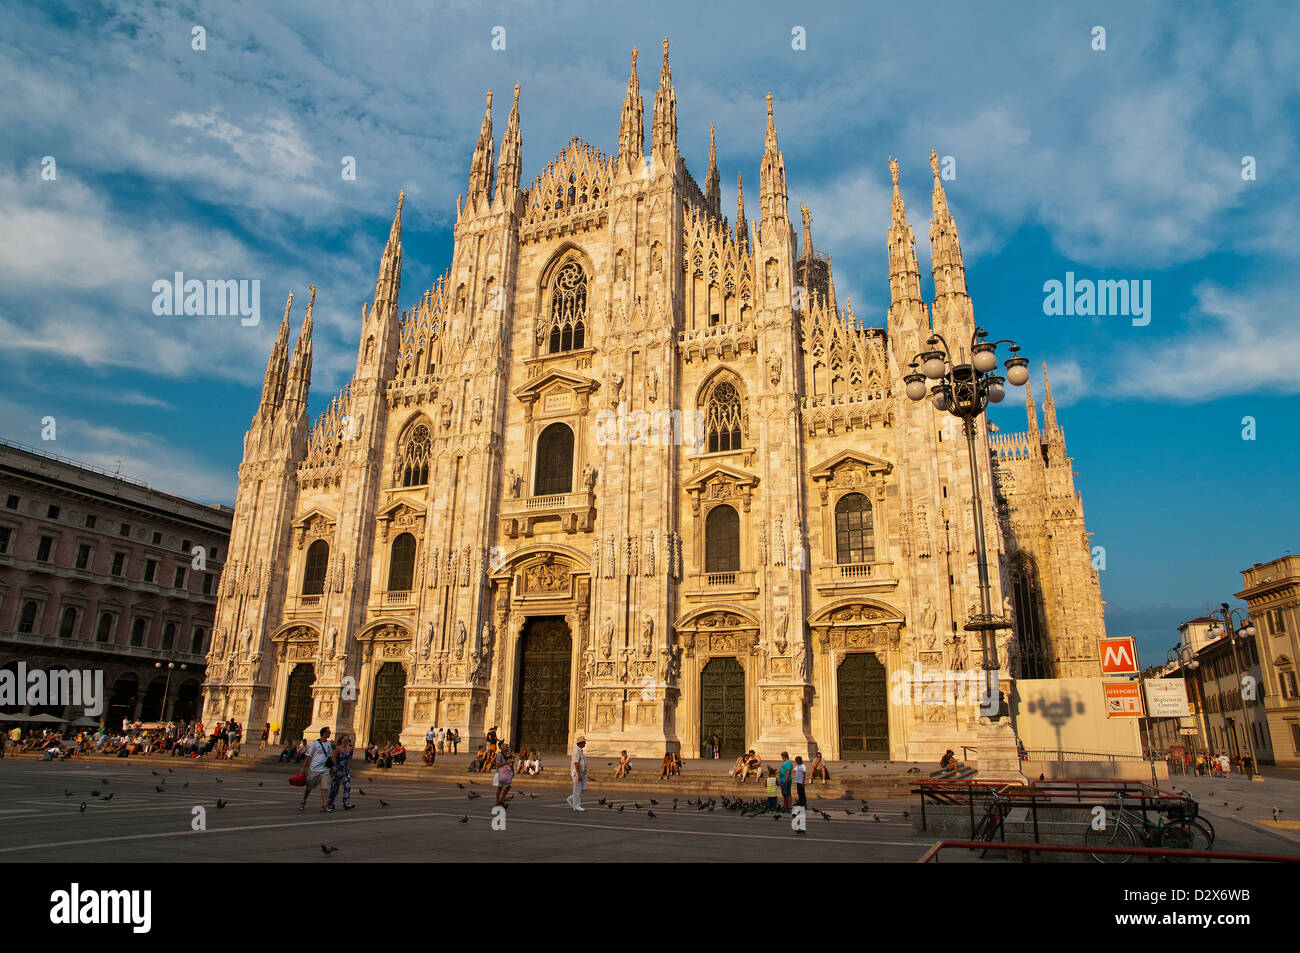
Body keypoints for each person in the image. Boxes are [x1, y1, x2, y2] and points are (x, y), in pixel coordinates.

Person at [300, 727, 334, 813]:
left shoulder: (329, 744)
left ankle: (324, 805)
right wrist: (303, 767)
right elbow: (308, 756)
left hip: (325, 769)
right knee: (309, 787)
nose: (329, 733)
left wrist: (331, 767)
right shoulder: (315, 744)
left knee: (325, 787)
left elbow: (330, 756)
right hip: (314, 769)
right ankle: (303, 800)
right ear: (324, 733)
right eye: (328, 732)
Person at [328, 735, 355, 811]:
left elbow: (349, 759)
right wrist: (331, 768)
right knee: (334, 788)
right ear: (341, 740)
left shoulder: (350, 749)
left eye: (347, 739)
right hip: (337, 770)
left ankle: (346, 803)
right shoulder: (338, 748)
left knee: (347, 786)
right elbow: (333, 758)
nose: (346, 740)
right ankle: (330, 803)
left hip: (345, 770)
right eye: (345, 739)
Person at [567, 736, 587, 811]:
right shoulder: (576, 751)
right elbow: (576, 763)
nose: (585, 743)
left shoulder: (580, 751)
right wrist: (578, 775)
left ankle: (571, 799)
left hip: (582, 773)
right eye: (584, 742)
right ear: (580, 743)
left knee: (583, 788)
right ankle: (576, 806)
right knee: (577, 790)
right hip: (577, 773)